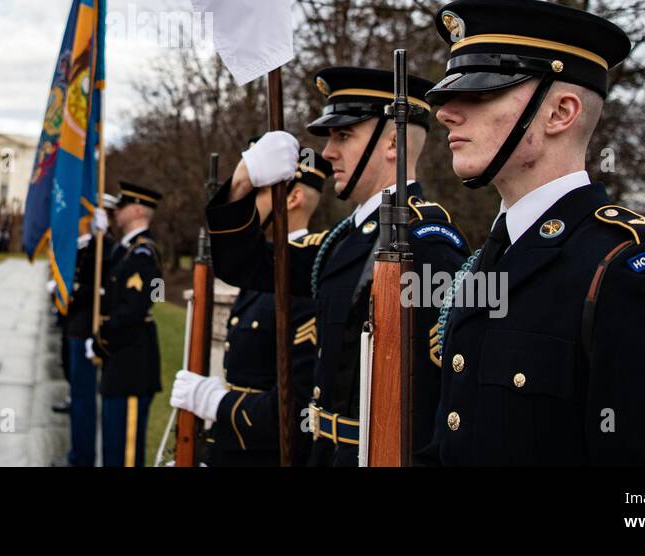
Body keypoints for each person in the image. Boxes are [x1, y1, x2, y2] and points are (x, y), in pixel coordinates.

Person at [420, 0, 645, 465]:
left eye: (478, 94)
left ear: (561, 113)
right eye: (448, 97)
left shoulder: (632, 272)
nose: (445, 113)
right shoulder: (494, 258)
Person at [205, 68, 468, 465]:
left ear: (393, 142)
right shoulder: (342, 242)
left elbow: (430, 401)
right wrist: (242, 182)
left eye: (343, 136)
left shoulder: (424, 243)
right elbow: (247, 265)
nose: (327, 152)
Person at [171, 153, 331, 466]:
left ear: (293, 198)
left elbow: (297, 409)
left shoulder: (306, 276)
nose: (246, 204)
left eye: (256, 192)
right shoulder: (263, 271)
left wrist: (218, 402)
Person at [89, 182, 163, 467]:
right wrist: (102, 236)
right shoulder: (128, 249)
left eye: (120, 207)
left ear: (135, 210)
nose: (115, 212)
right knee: (112, 445)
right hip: (120, 361)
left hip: (131, 361)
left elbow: (132, 311)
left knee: (126, 452)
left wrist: (100, 339)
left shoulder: (144, 254)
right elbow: (108, 270)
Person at [58, 195, 116, 466]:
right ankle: (80, 456)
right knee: (83, 400)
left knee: (120, 420)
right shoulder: (97, 246)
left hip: (128, 343)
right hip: (81, 328)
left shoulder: (141, 250)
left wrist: (150, 306)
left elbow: (157, 288)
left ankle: (84, 458)